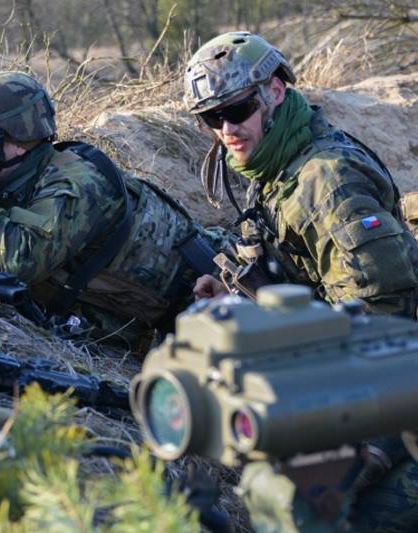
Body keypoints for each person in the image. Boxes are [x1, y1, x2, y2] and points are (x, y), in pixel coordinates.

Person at [184, 31, 418, 532]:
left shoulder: (329, 183)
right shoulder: (277, 165)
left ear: (275, 91)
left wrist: (366, 447)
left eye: (237, 108)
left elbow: (389, 330)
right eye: (211, 118)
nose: (226, 128)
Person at [0, 71, 231, 351]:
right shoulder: (14, 182)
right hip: (160, 325)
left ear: (13, 141)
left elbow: (19, 261)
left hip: (219, 300)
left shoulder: (76, 182)